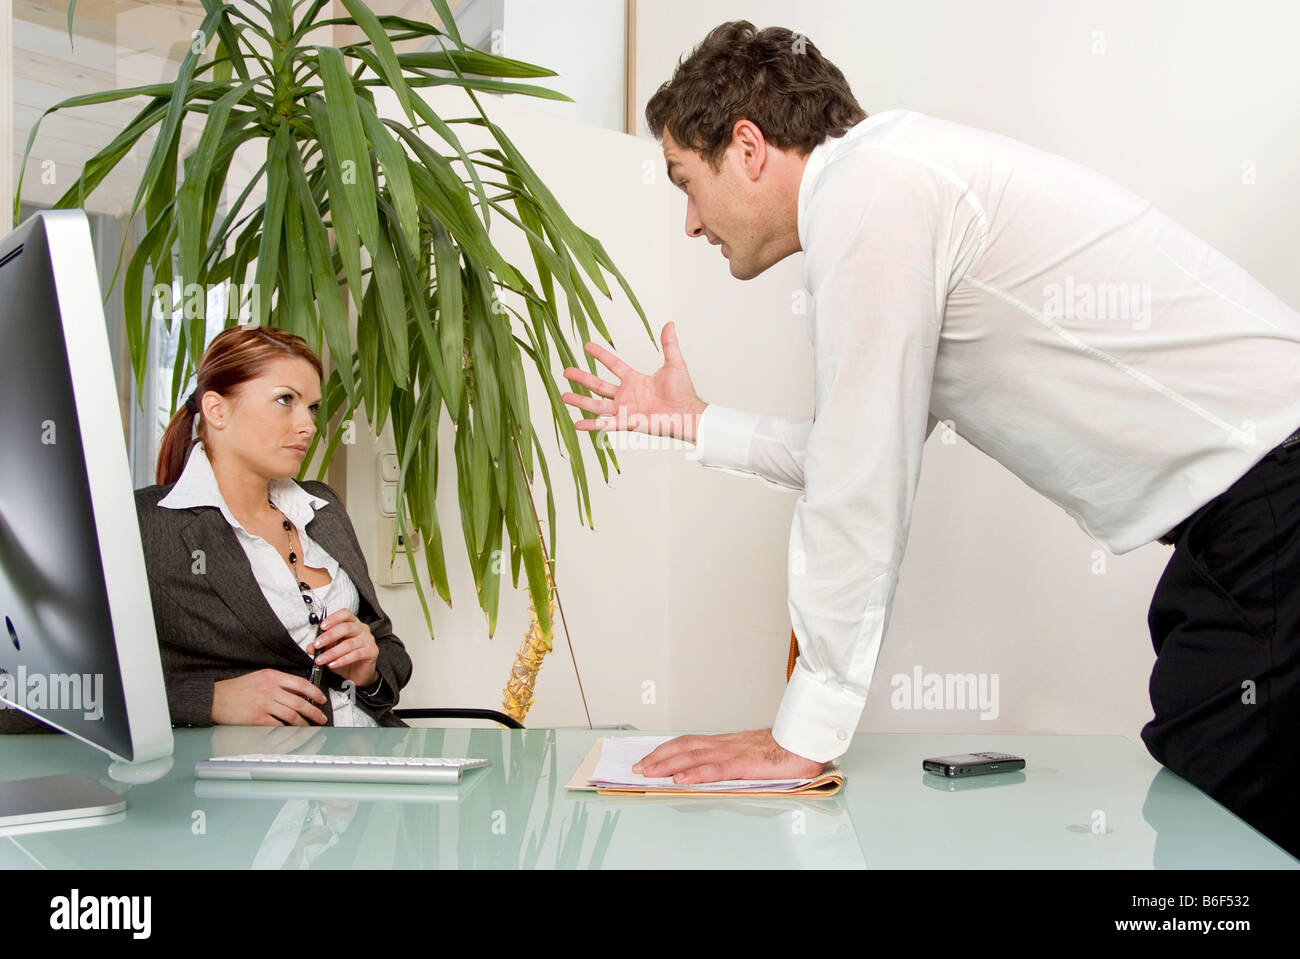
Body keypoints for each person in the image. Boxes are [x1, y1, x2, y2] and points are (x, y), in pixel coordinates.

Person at [559, 20, 1300, 858]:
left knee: (1212, 851)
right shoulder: (890, 184)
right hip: (1251, 516)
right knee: (1226, 835)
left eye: (686, 182)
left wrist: (800, 733)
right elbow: (855, 453)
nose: (691, 223)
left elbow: (858, 490)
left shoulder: (870, 191)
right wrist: (697, 424)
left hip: (1273, 507)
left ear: (749, 145)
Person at [138, 324, 413, 727]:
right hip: (252, 779)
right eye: (286, 400)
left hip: (372, 758)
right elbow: (43, 692)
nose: (309, 426)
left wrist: (368, 672)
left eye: (313, 408)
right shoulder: (146, 526)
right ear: (217, 410)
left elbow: (385, 644)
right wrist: (207, 700)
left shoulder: (322, 508)